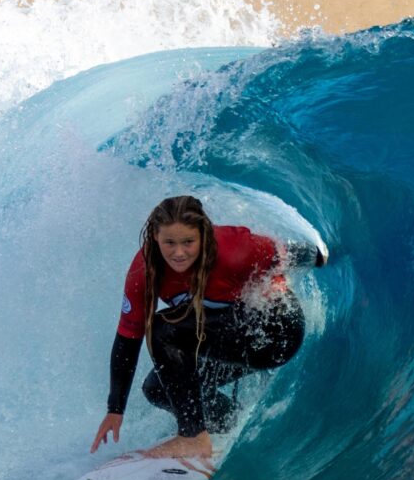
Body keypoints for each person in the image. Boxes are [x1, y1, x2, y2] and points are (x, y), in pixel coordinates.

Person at [90, 195, 326, 460]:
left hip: (276, 333)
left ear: (203, 235)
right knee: (158, 389)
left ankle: (192, 437)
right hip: (230, 340)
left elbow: (287, 254)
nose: (178, 253)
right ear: (155, 238)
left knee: (162, 330)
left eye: (188, 242)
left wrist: (320, 255)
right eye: (169, 243)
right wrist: (115, 409)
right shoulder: (145, 271)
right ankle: (227, 422)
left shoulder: (235, 249)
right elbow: (127, 338)